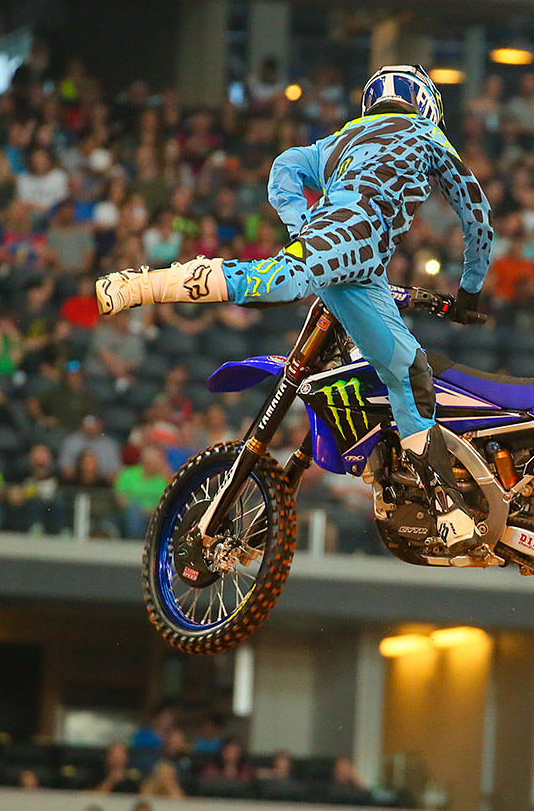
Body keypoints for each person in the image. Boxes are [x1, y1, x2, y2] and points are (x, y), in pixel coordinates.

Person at [96, 64, 493, 552]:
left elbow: (286, 164)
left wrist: (301, 223)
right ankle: (147, 284)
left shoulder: (345, 137)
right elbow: (477, 213)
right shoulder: (429, 135)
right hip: (353, 239)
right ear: (428, 103)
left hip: (360, 266)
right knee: (280, 283)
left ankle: (446, 506)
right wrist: (471, 289)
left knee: (407, 367)